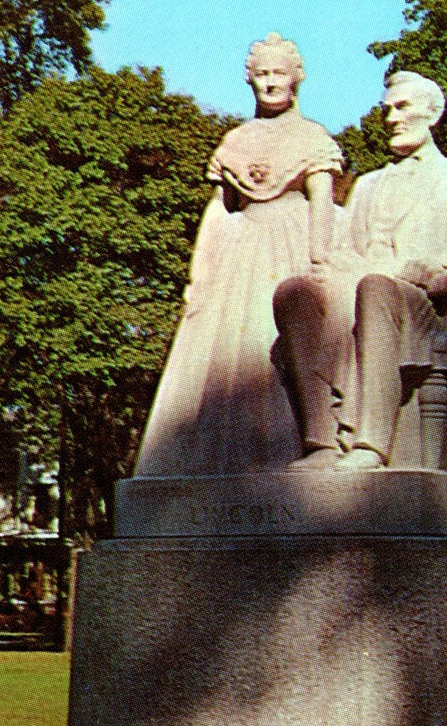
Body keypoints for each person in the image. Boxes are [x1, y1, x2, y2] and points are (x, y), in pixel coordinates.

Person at [132, 34, 343, 476]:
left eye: (278, 74)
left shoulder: (312, 138)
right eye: (262, 75)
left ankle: (298, 450)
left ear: (295, 79)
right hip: (239, 250)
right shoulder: (236, 140)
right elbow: (218, 209)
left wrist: (320, 262)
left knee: (276, 340)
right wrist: (200, 276)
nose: (270, 83)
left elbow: (322, 202)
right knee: (224, 355)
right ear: (251, 81)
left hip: (290, 242)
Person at [272, 71, 447, 469]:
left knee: (375, 286)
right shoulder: (368, 185)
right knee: (296, 293)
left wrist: (433, 269)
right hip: (362, 291)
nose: (391, 118)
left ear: (434, 112)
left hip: (429, 304)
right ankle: (321, 442)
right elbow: (342, 253)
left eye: (402, 107)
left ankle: (371, 444)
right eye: (387, 110)